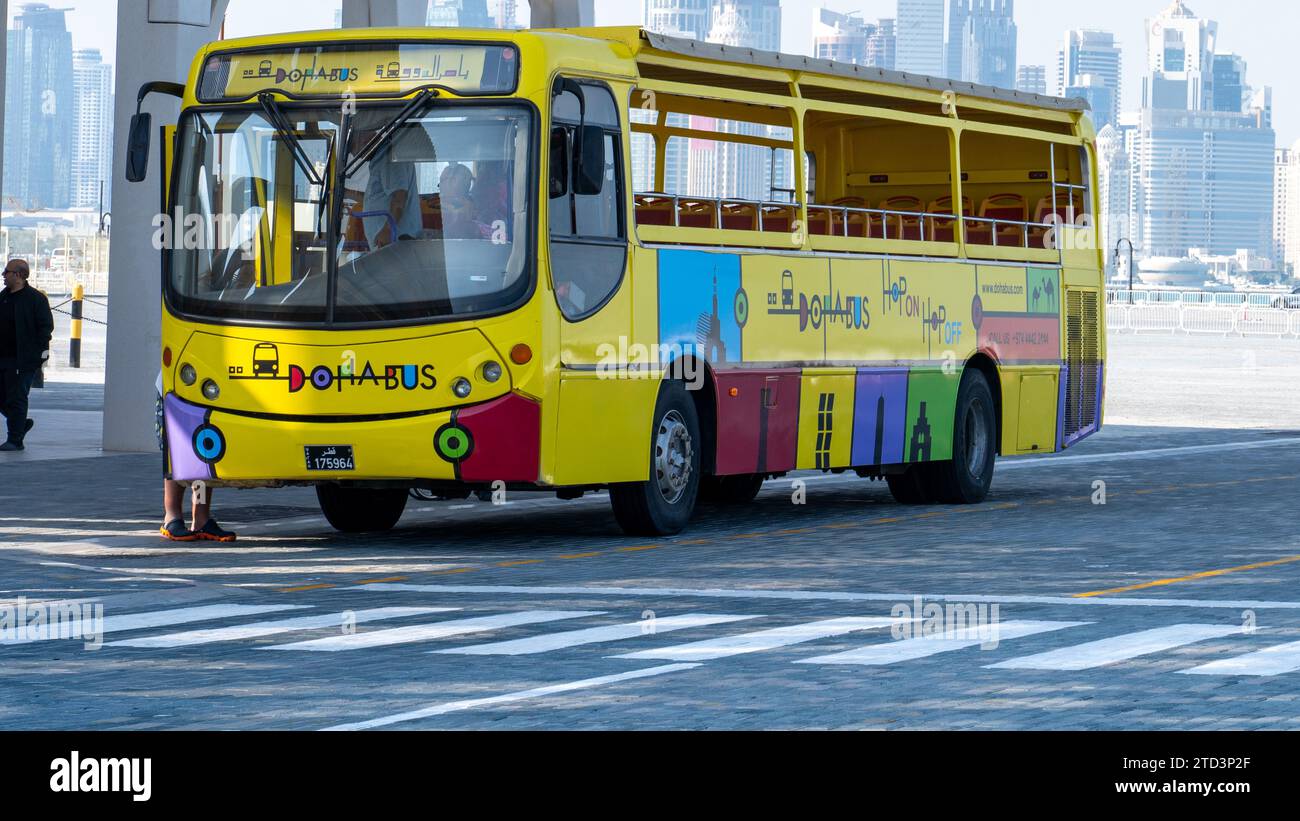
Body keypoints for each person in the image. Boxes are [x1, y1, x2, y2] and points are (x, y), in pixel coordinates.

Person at [156, 372, 237, 542]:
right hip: (175, 386)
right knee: (175, 452)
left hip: (205, 384)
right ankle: (172, 516)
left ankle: (201, 518)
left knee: (201, 455)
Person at [0, 260, 53, 452]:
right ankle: (20, 424)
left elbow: (45, 328)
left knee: (17, 397)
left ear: (20, 275)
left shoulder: (35, 299)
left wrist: (39, 356)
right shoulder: (3, 297)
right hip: (3, 357)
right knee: (4, 398)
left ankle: (15, 440)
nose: (4, 275)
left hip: (23, 359)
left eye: (7, 272)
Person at [361, 143, 424, 250]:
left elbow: (399, 198)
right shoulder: (381, 159)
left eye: (351, 146)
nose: (352, 154)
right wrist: (346, 193)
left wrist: (388, 230)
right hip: (391, 245)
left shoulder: (389, 156)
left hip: (396, 245)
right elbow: (376, 199)